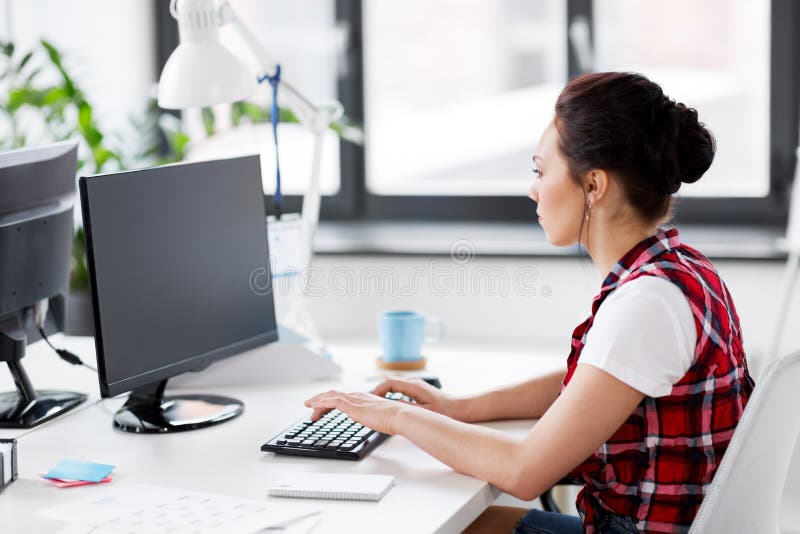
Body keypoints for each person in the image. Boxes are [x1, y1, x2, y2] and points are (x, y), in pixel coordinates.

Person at [304, 72, 755, 534]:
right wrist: (461, 408)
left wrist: (394, 415)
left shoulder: (647, 303)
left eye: (541, 171)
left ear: (594, 186)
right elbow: (597, 380)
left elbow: (524, 471)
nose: (532, 189)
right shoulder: (678, 268)